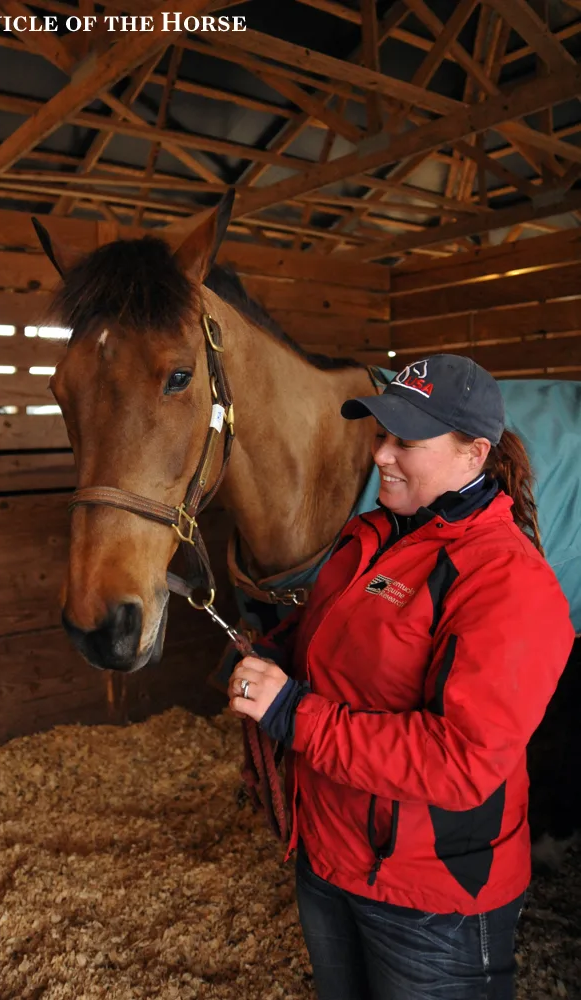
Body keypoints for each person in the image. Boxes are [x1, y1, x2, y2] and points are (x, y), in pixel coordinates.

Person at [227, 354, 575, 1000]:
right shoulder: (370, 535)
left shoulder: (508, 583)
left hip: (430, 900)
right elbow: (335, 650)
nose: (381, 455)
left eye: (406, 441)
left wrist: (291, 716)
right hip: (329, 862)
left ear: (474, 454)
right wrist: (274, 654)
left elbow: (461, 762)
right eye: (382, 434)